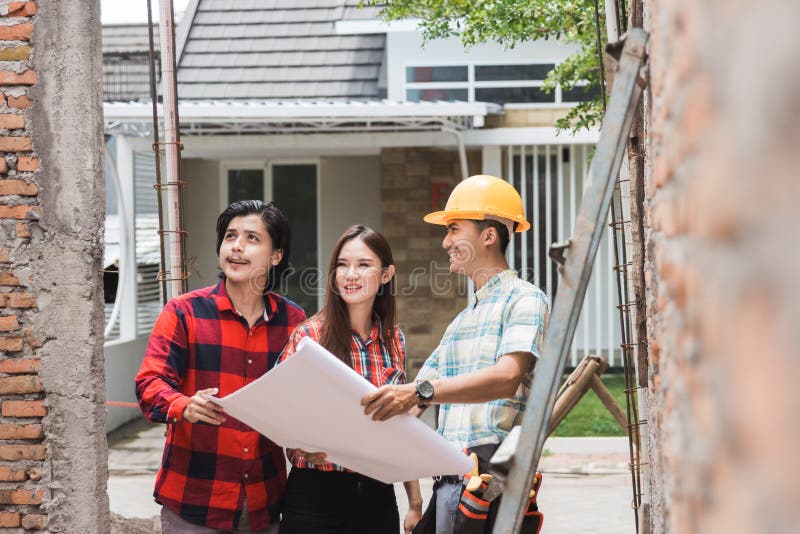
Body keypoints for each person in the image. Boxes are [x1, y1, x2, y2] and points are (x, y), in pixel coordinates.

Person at [360, 175, 549, 533]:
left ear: (489, 235)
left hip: (495, 483)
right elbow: (413, 400)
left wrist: (420, 392)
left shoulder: (525, 300)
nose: (445, 242)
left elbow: (507, 377)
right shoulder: (462, 321)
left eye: (454, 229)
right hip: (450, 484)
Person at [135, 200, 307, 533]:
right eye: (230, 236)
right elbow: (148, 384)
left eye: (252, 238)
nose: (237, 247)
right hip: (194, 501)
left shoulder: (293, 322)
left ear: (276, 255)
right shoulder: (184, 312)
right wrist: (183, 405)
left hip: (264, 504)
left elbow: (301, 402)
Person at [277, 225, 423, 534]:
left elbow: (401, 424)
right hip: (314, 497)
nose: (350, 274)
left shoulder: (394, 340)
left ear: (386, 275)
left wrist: (415, 501)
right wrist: (298, 441)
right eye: (342, 265)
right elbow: (276, 406)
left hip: (377, 496)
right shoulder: (309, 336)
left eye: (363, 264)